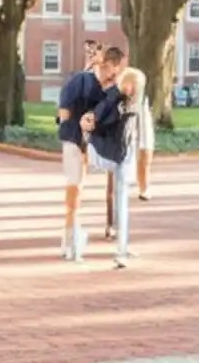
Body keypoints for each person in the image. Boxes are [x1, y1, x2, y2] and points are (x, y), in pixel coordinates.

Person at [57, 45, 123, 262]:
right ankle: (70, 238)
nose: (119, 74)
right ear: (110, 66)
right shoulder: (79, 81)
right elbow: (64, 113)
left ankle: (112, 227)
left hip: (99, 144)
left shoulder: (113, 90)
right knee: (74, 188)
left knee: (114, 184)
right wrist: (78, 134)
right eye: (118, 68)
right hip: (74, 141)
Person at [85, 65, 148, 268]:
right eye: (135, 86)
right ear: (128, 85)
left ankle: (123, 246)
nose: (137, 91)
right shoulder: (116, 101)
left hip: (122, 154)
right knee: (121, 203)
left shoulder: (126, 102)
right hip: (116, 154)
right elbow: (100, 122)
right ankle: (121, 251)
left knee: (123, 203)